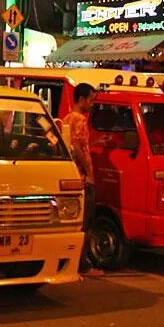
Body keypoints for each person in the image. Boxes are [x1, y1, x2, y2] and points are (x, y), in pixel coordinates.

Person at [64, 84, 96, 273]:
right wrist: (89, 173)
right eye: (91, 99)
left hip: (73, 175)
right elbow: (76, 146)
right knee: (86, 222)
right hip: (83, 178)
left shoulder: (67, 118)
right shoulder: (81, 120)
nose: (92, 104)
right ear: (82, 99)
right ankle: (82, 265)